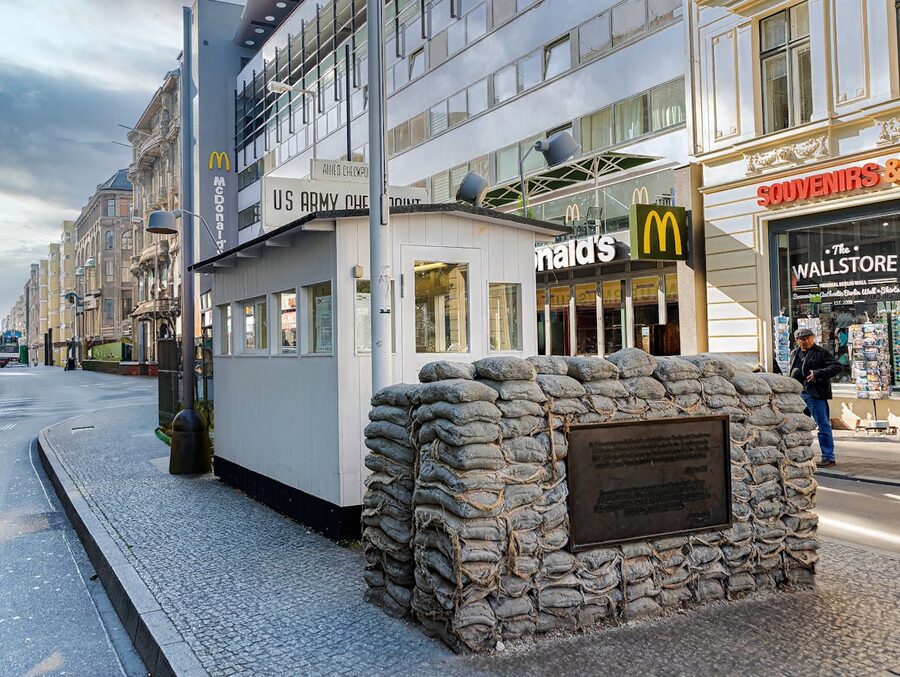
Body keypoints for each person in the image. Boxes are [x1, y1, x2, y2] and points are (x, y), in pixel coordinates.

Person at [788, 328, 842, 467]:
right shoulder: (794, 353)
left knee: (823, 425)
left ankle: (828, 457)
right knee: (800, 426)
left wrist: (818, 373)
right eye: (803, 339)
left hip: (815, 394)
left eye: (809, 338)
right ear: (797, 341)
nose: (806, 341)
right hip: (798, 395)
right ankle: (803, 454)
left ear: (813, 338)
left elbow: (837, 366)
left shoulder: (821, 352)